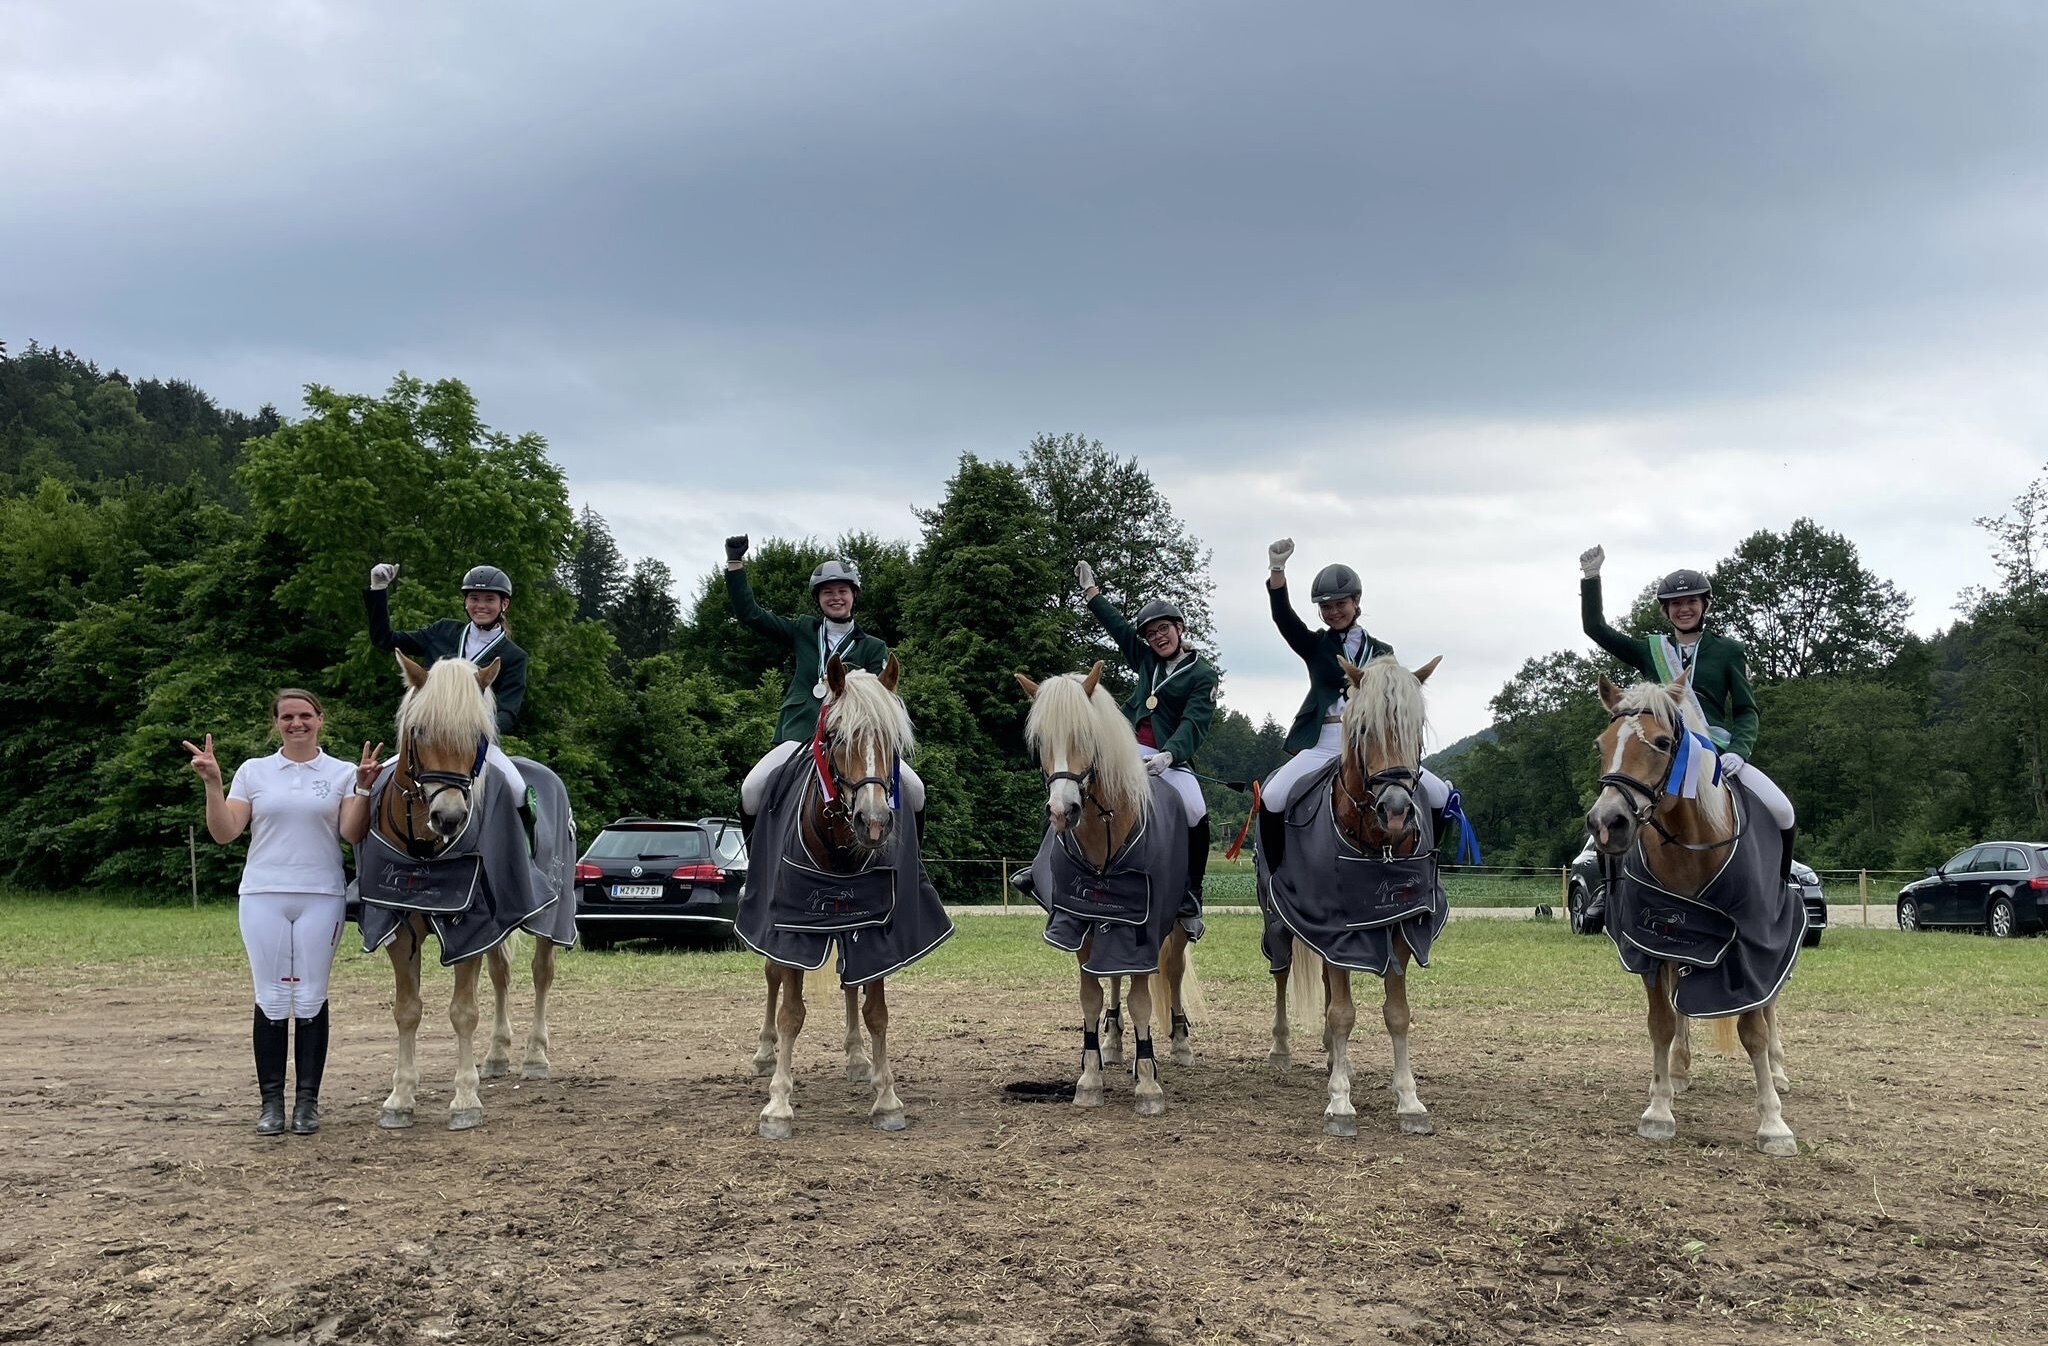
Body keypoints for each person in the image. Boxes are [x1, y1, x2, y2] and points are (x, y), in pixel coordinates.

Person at [184, 691, 380, 1136]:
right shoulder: (254, 771)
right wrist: (213, 784)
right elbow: (225, 831)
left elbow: (352, 833)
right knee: (271, 998)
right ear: (276, 723)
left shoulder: (342, 772)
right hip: (263, 894)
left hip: (320, 894)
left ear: (320, 720)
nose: (297, 723)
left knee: (310, 996)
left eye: (305, 715)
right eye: (288, 716)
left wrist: (364, 787)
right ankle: (271, 1104)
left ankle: (307, 1105)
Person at [1578, 546, 1797, 846]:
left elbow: (1746, 710)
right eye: (1675, 603)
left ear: (1704, 605)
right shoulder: (1651, 650)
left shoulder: (1728, 651)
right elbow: (1596, 629)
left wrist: (1739, 750)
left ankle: (1780, 885)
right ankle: (1611, 893)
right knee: (1602, 831)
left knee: (1782, 811)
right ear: (1666, 610)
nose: (1684, 609)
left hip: (1716, 753)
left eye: (1691, 601)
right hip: (1662, 757)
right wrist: (1591, 578)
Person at [1257, 539, 1453, 869]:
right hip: (1326, 742)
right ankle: (1274, 872)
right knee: (1272, 796)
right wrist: (1278, 571)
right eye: (1326, 607)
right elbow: (1283, 618)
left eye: (1339, 604)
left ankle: (1431, 864)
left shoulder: (1382, 650)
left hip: (1375, 746)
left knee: (1441, 795)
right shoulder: (1315, 645)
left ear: (1356, 601)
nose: (1333, 612)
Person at [724, 537, 925, 836]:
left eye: (842, 591)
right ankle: (756, 869)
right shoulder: (803, 630)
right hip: (799, 736)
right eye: (827, 592)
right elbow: (751, 614)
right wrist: (735, 565)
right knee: (751, 789)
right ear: (818, 598)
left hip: (850, 741)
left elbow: (880, 700)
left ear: (854, 596)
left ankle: (915, 871)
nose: (836, 597)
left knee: (917, 790)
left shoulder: (872, 647)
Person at [1075, 562, 1219, 939]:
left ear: (1179, 628)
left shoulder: (1203, 674)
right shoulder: (1147, 660)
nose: (1158, 637)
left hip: (1165, 757)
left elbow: (1194, 722)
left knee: (1195, 809)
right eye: (1151, 633)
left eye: (1164, 629)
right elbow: (1120, 630)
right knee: (1070, 780)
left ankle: (1191, 894)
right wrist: (1092, 595)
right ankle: (1047, 868)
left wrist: (1170, 754)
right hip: (1122, 746)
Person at [364, 561, 533, 833]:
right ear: (466, 602)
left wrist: (475, 730)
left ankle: (526, 853)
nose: (481, 605)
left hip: (475, 741)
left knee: (518, 790)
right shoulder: (443, 632)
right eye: (474, 598)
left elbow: (509, 711)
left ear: (504, 605)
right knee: (374, 784)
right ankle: (366, 841)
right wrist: (378, 589)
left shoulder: (514, 656)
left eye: (489, 599)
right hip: (429, 738)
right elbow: (385, 639)